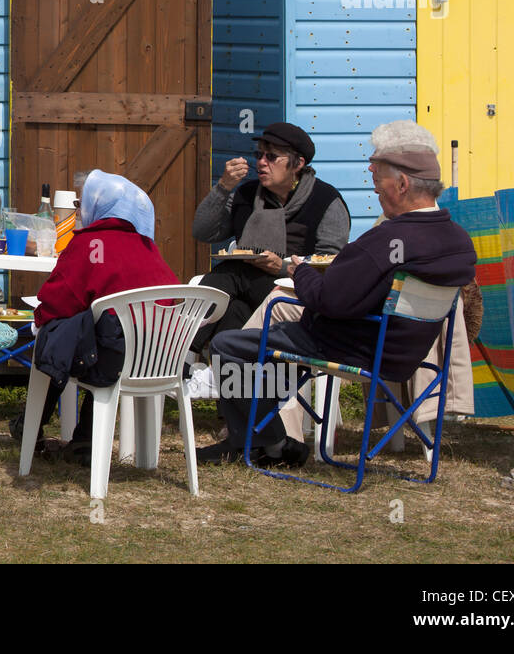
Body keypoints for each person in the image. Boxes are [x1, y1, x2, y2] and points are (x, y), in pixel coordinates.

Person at [198, 120, 476, 467]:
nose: (375, 191)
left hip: (350, 345)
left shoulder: (387, 241)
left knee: (230, 345)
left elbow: (329, 299)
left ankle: (268, 442)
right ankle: (271, 433)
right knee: (260, 327)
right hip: (404, 351)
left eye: (379, 183)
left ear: (402, 184)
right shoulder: (459, 242)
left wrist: (299, 272)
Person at [19, 170, 180, 464]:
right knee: (97, 332)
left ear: (100, 205)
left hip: (108, 363)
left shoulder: (88, 244)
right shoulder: (147, 246)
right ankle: (83, 440)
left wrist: (39, 320)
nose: (78, 211)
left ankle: (33, 425)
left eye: (81, 203)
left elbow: (56, 300)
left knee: (62, 334)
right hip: (156, 361)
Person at [191, 122, 349, 356]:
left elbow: (328, 264)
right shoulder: (246, 194)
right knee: (236, 307)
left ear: (298, 163)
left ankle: (180, 352)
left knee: (233, 271)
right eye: (259, 155)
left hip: (295, 293)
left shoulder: (325, 200)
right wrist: (223, 187)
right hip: (249, 292)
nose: (261, 162)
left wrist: (282, 267)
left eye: (272, 157)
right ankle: (224, 375)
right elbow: (203, 232)